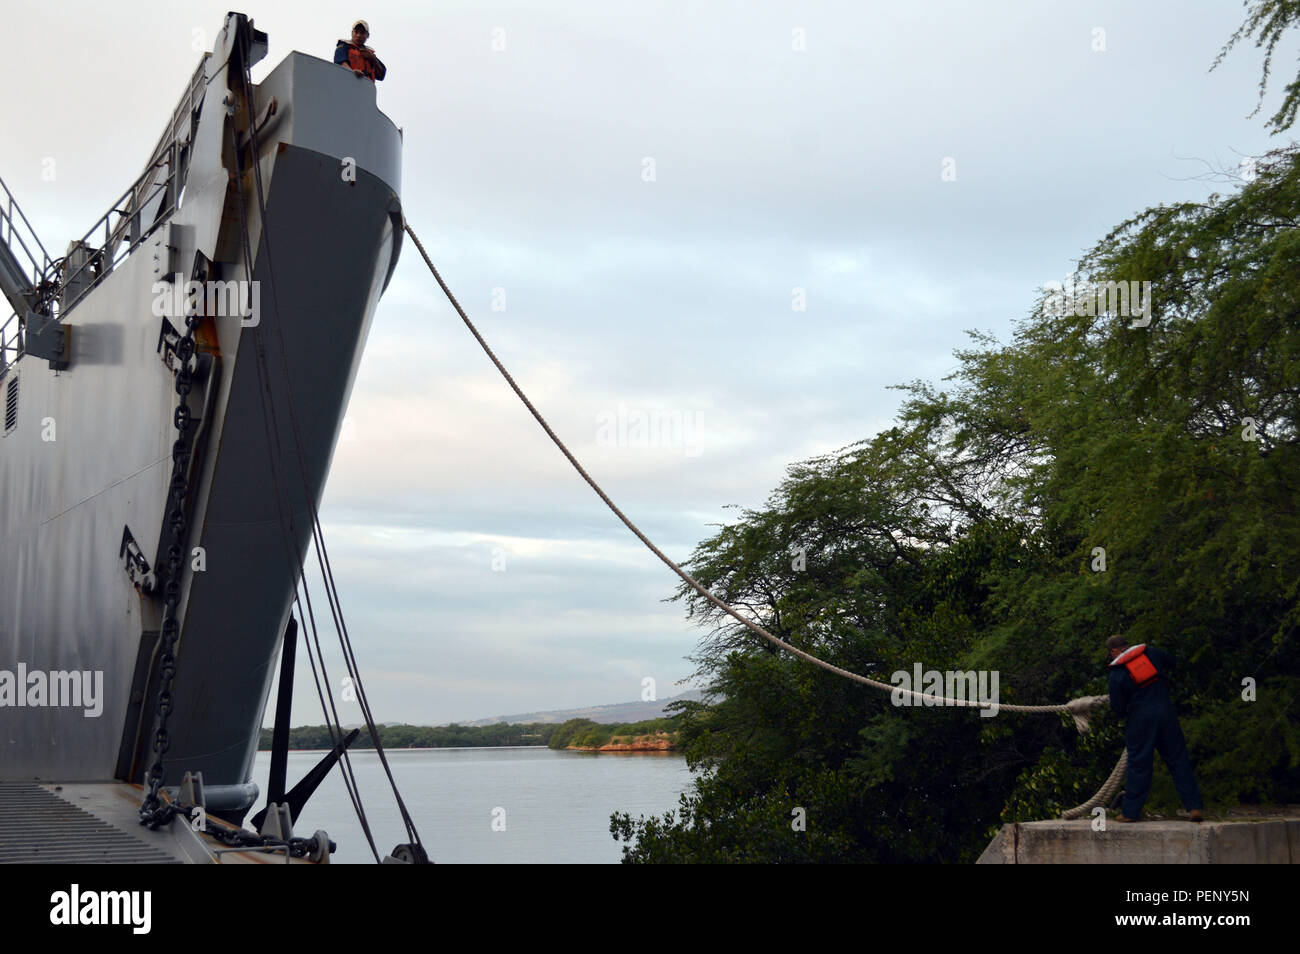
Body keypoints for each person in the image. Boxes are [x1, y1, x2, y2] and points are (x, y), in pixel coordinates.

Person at [1106, 634, 1204, 823]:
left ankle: (1130, 813)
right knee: (1178, 760)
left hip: (1140, 721)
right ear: (1127, 644)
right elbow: (1174, 663)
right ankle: (1194, 807)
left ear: (1113, 652)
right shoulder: (1150, 652)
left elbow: (1118, 709)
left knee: (1139, 765)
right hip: (1166, 713)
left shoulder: (1117, 673)